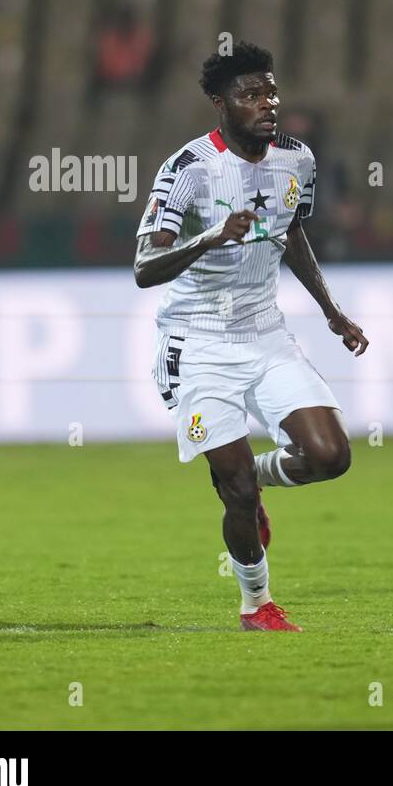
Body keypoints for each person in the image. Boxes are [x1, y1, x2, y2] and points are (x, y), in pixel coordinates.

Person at [133, 42, 369, 632]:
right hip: (197, 340)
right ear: (219, 103)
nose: (267, 104)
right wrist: (210, 237)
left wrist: (332, 311)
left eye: (270, 91)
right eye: (250, 94)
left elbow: (293, 234)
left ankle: (256, 477)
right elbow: (143, 266)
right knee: (233, 492)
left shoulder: (298, 159)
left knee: (330, 456)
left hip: (265, 332)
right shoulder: (187, 172)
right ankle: (255, 604)